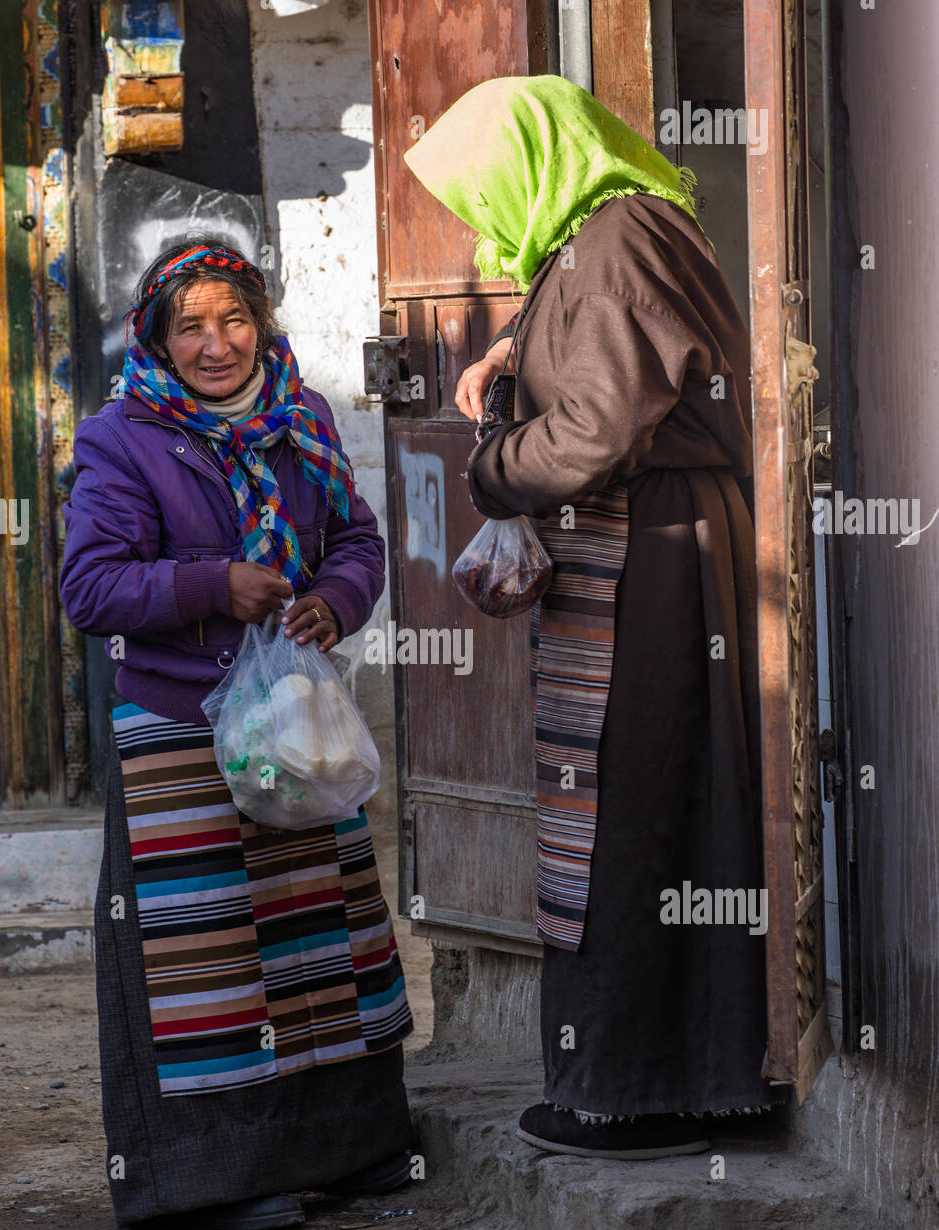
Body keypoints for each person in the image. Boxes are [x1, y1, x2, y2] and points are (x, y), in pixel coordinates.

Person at [404, 76, 783, 1158]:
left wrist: (490, 470)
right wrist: (511, 353)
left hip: (652, 559)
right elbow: (597, 352)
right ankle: (675, 1078)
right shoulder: (600, 232)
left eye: (482, 194)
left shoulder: (619, 239)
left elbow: (600, 428)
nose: (481, 224)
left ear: (532, 160)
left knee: (627, 803)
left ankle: (627, 1091)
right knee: (638, 799)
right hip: (645, 549)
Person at [59, 237, 414, 1230]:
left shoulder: (300, 417)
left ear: (260, 321)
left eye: (233, 319)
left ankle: (352, 1150)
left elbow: (354, 538)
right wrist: (215, 583)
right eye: (190, 326)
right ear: (158, 338)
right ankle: (218, 1175)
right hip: (178, 729)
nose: (215, 344)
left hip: (293, 723)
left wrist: (332, 604)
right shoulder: (122, 437)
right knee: (209, 960)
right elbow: (89, 585)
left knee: (320, 940)